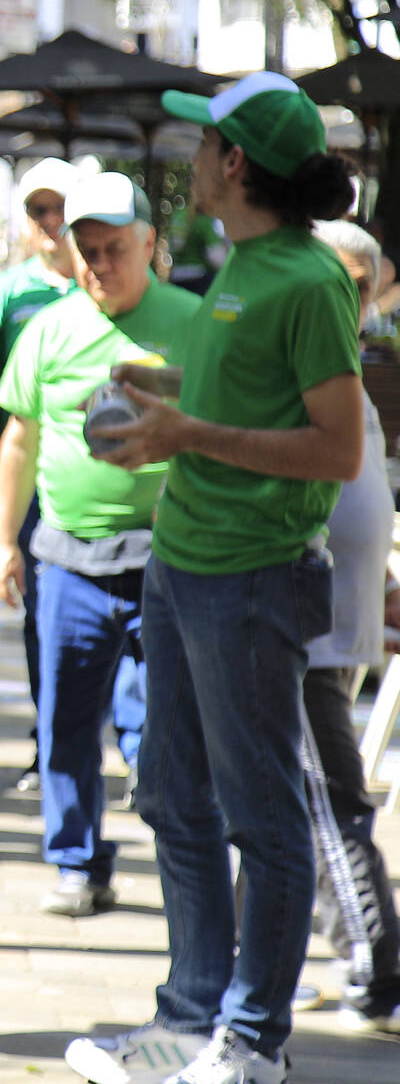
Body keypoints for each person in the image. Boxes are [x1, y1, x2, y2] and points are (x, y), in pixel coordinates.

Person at [68, 73, 364, 1084]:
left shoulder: (308, 277)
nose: (186, 160)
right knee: (172, 795)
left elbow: (337, 450)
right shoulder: (243, 266)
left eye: (202, 147)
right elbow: (252, 396)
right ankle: (190, 1019)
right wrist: (166, 395)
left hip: (250, 581)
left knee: (261, 817)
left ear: (234, 164)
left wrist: (186, 430)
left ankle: (251, 1042)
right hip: (186, 566)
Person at [0, 172, 199, 919]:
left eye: (114, 248)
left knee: (160, 723)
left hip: (167, 557)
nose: (99, 265)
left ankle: (180, 854)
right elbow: (18, 438)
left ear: (150, 244)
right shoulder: (49, 326)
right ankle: (77, 861)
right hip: (67, 557)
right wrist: (2, 545)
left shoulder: (195, 321)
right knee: (65, 719)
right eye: (86, 251)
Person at [300, 220, 400, 1035]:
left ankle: (371, 968)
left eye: (360, 285)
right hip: (307, 623)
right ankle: (368, 967)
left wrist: (385, 587)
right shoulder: (309, 351)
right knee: (312, 803)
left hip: (330, 625)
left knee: (324, 803)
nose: (347, 297)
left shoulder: (341, 362)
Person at [0, 155, 82, 794]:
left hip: (99, 481)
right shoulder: (8, 291)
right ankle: (50, 747)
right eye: (38, 209)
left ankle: (120, 744)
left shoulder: (104, 286)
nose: (49, 222)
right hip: (30, 478)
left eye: (59, 208)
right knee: (44, 618)